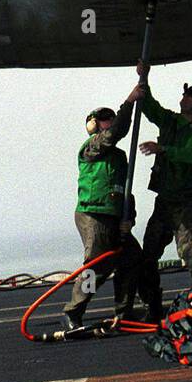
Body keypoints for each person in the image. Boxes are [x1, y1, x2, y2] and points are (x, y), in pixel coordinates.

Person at [131, 60, 192, 323]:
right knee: (148, 257)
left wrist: (163, 149)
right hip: (165, 201)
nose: (183, 97)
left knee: (191, 254)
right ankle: (153, 306)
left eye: (189, 95)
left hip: (186, 203)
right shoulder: (170, 121)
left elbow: (191, 155)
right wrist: (143, 78)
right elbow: (149, 106)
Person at [62, 94, 142, 332]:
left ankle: (124, 313)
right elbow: (115, 133)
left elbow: (125, 189)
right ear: (94, 125)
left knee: (132, 260)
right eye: (105, 118)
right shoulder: (91, 147)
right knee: (96, 266)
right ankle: (72, 312)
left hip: (116, 217)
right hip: (93, 214)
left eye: (112, 117)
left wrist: (129, 218)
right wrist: (130, 101)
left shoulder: (119, 156)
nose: (110, 121)